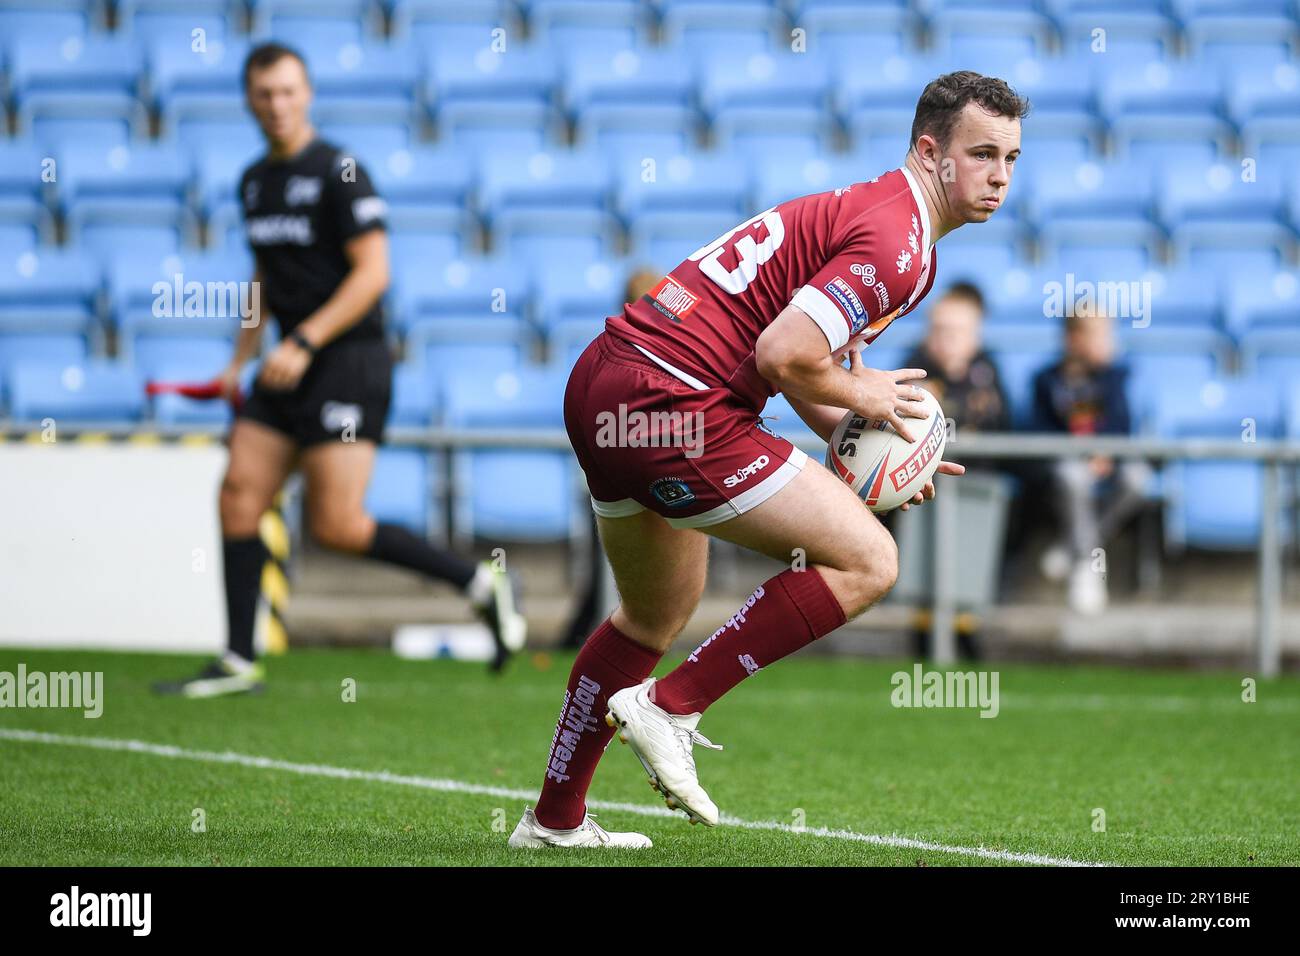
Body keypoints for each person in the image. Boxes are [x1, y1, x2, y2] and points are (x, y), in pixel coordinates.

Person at [508, 70, 1026, 849]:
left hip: (609, 382)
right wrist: (876, 402)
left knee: (653, 612)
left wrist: (881, 446)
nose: (999, 175)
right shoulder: (900, 243)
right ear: (930, 152)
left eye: (1013, 158)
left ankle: (553, 820)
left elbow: (804, 366)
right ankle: (670, 708)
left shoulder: (878, 213)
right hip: (672, 402)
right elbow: (785, 355)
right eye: (982, 154)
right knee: (869, 563)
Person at [157, 44, 524, 698]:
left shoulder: (342, 172)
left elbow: (373, 274)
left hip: (348, 360)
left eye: (288, 91)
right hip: (284, 365)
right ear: (248, 100)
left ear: (308, 93)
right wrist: (238, 363)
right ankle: (239, 658)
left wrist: (303, 338)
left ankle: (477, 582)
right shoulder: (252, 181)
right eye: (265, 93)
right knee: (239, 492)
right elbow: (265, 276)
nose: (277, 104)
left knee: (337, 525)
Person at [901, 281, 1009, 658]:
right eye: (940, 331)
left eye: (957, 332)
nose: (946, 340)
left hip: (976, 486)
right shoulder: (914, 366)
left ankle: (966, 631)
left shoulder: (987, 370)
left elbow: (999, 422)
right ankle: (924, 629)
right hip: (920, 489)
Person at [559, 267, 662, 650]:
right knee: (623, 574)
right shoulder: (629, 353)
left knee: (616, 568)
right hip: (644, 473)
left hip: (617, 472)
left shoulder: (609, 352)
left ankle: (581, 638)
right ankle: (584, 637)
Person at [1032, 304, 1149, 615]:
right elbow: (1041, 432)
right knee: (1073, 476)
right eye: (1098, 334)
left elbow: (1121, 425)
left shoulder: (1115, 377)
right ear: (1073, 339)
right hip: (1067, 463)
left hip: (1110, 462)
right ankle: (1086, 565)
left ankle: (1073, 550)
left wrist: (1105, 451)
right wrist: (1080, 451)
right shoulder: (1046, 380)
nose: (1108, 342)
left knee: (1138, 479)